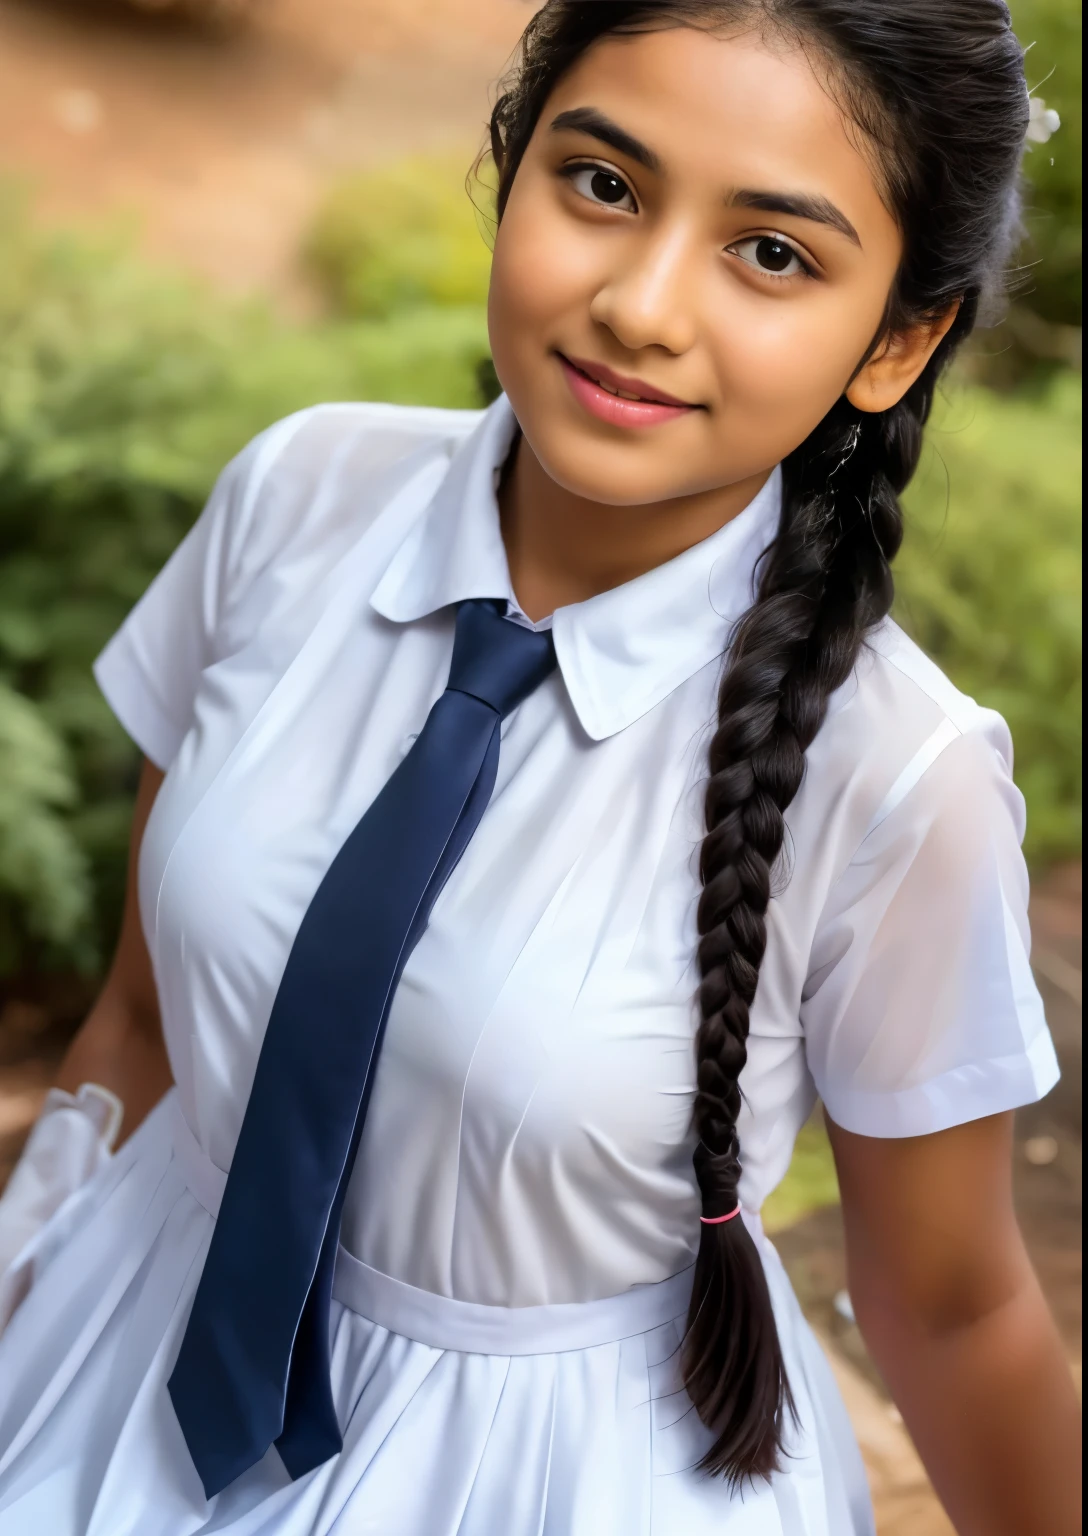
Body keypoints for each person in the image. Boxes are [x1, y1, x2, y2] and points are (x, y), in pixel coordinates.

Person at [0, 2, 1080, 1532]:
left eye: (772, 254)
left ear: (897, 341)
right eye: (604, 184)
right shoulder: (300, 494)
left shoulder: (901, 777)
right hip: (118, 1352)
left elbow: (955, 1308)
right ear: (512, 169)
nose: (641, 305)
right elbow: (136, 1021)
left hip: (547, 1478)